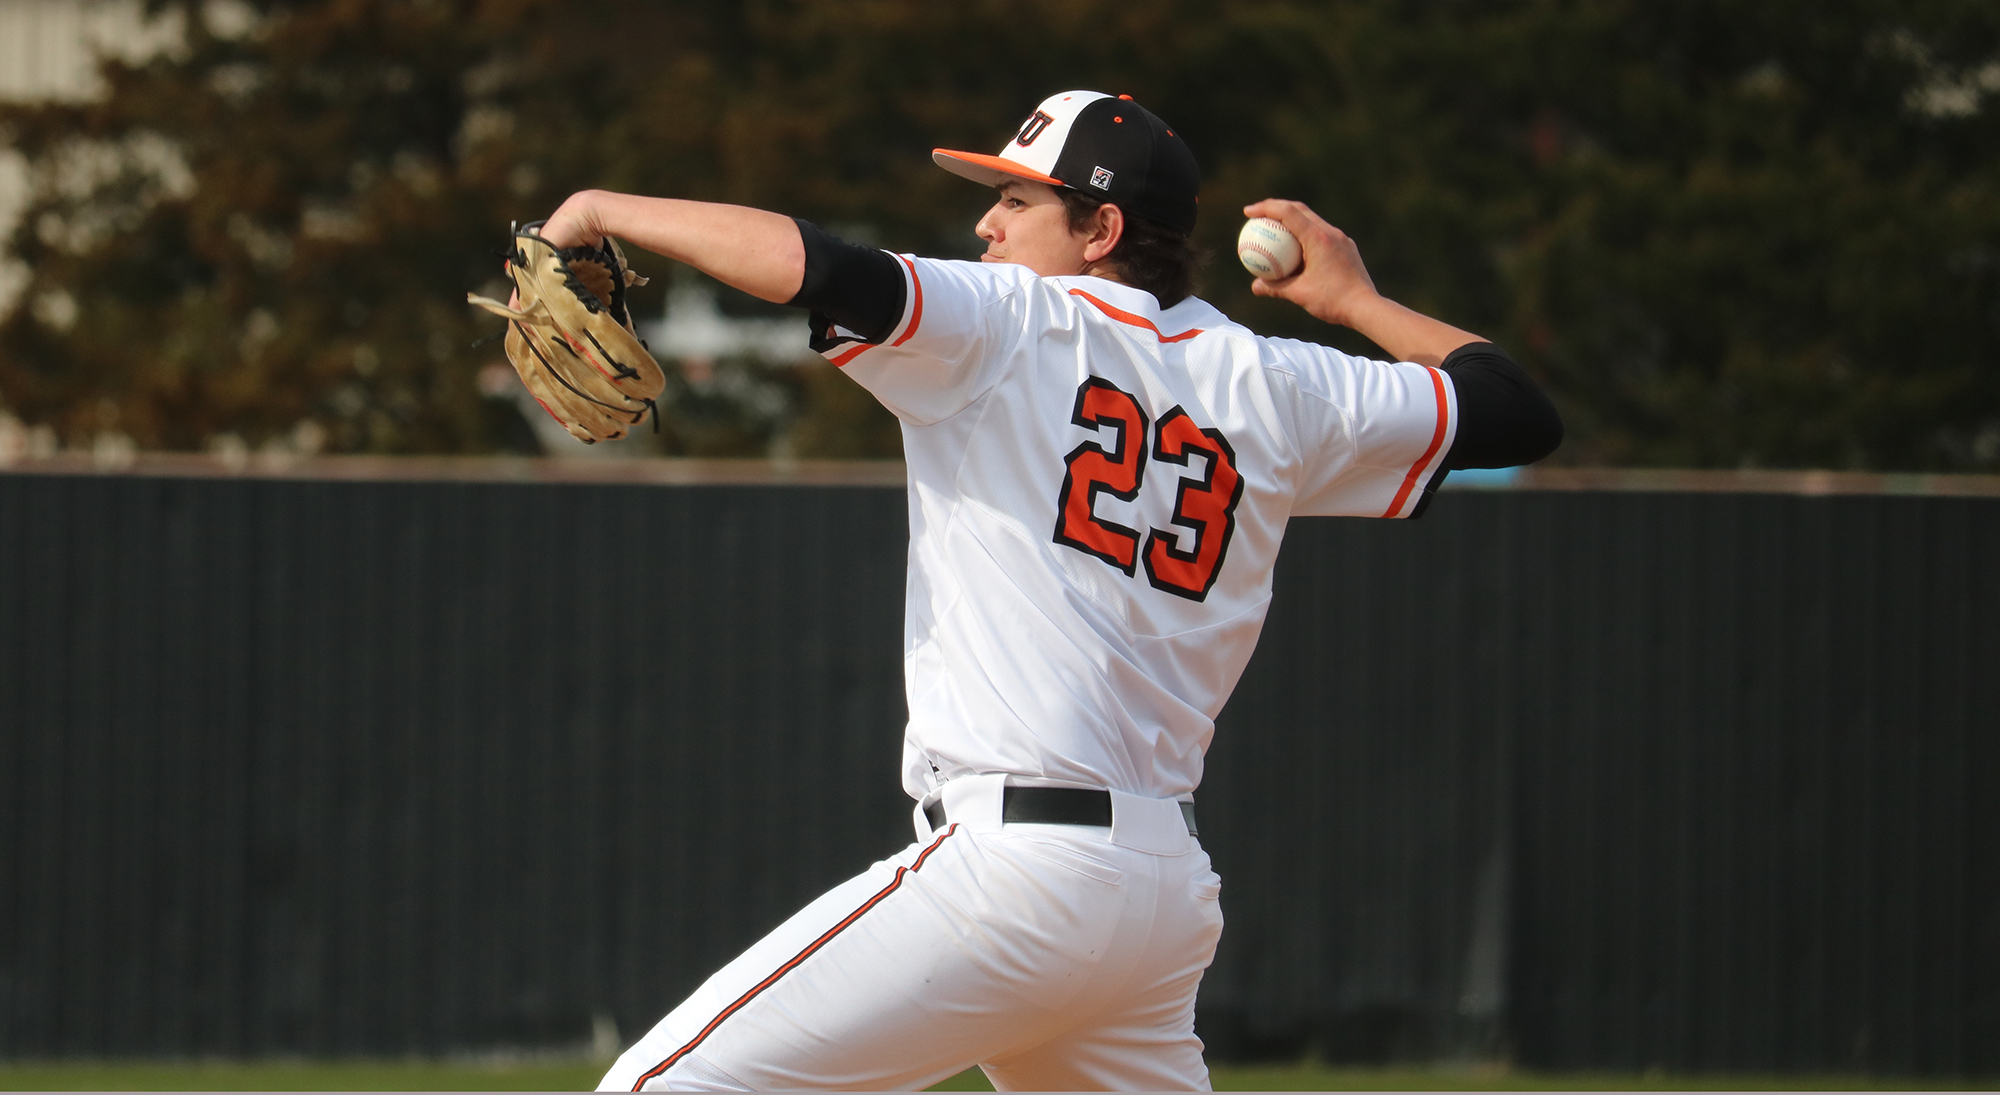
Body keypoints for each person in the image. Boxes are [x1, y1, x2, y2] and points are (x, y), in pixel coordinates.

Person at [544, 90, 1561, 1091]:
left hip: (1012, 877)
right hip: (1157, 895)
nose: (984, 222)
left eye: (1017, 201)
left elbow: (816, 265)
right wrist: (1351, 304)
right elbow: (1512, 413)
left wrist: (599, 208)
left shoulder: (1011, 321)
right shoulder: (1279, 384)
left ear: (1100, 228)